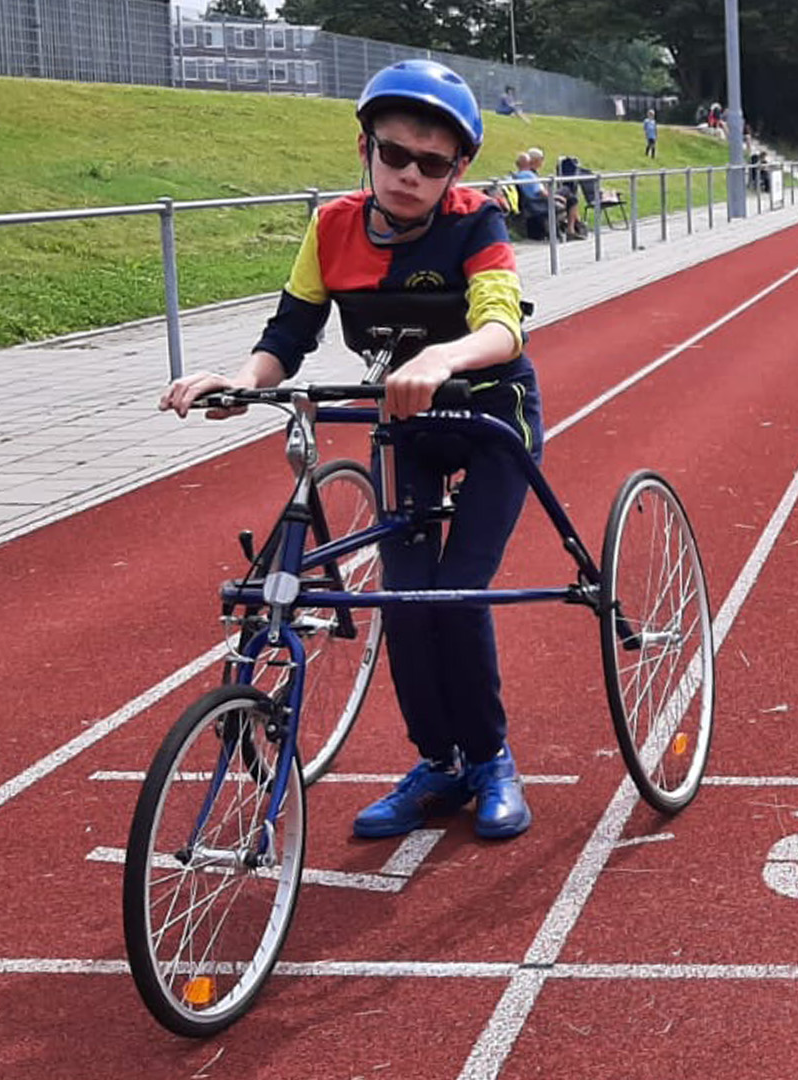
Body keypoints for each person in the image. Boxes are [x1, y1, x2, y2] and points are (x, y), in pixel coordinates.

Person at [157, 59, 542, 841]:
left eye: (432, 163)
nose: (410, 175)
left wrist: (442, 358)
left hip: (490, 417)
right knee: (403, 600)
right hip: (406, 425)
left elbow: (503, 325)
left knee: (455, 593)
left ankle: (492, 759)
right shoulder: (332, 227)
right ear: (365, 148)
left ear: (457, 170)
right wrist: (241, 383)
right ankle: (439, 762)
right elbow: (288, 334)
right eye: (394, 154)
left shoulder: (476, 221)